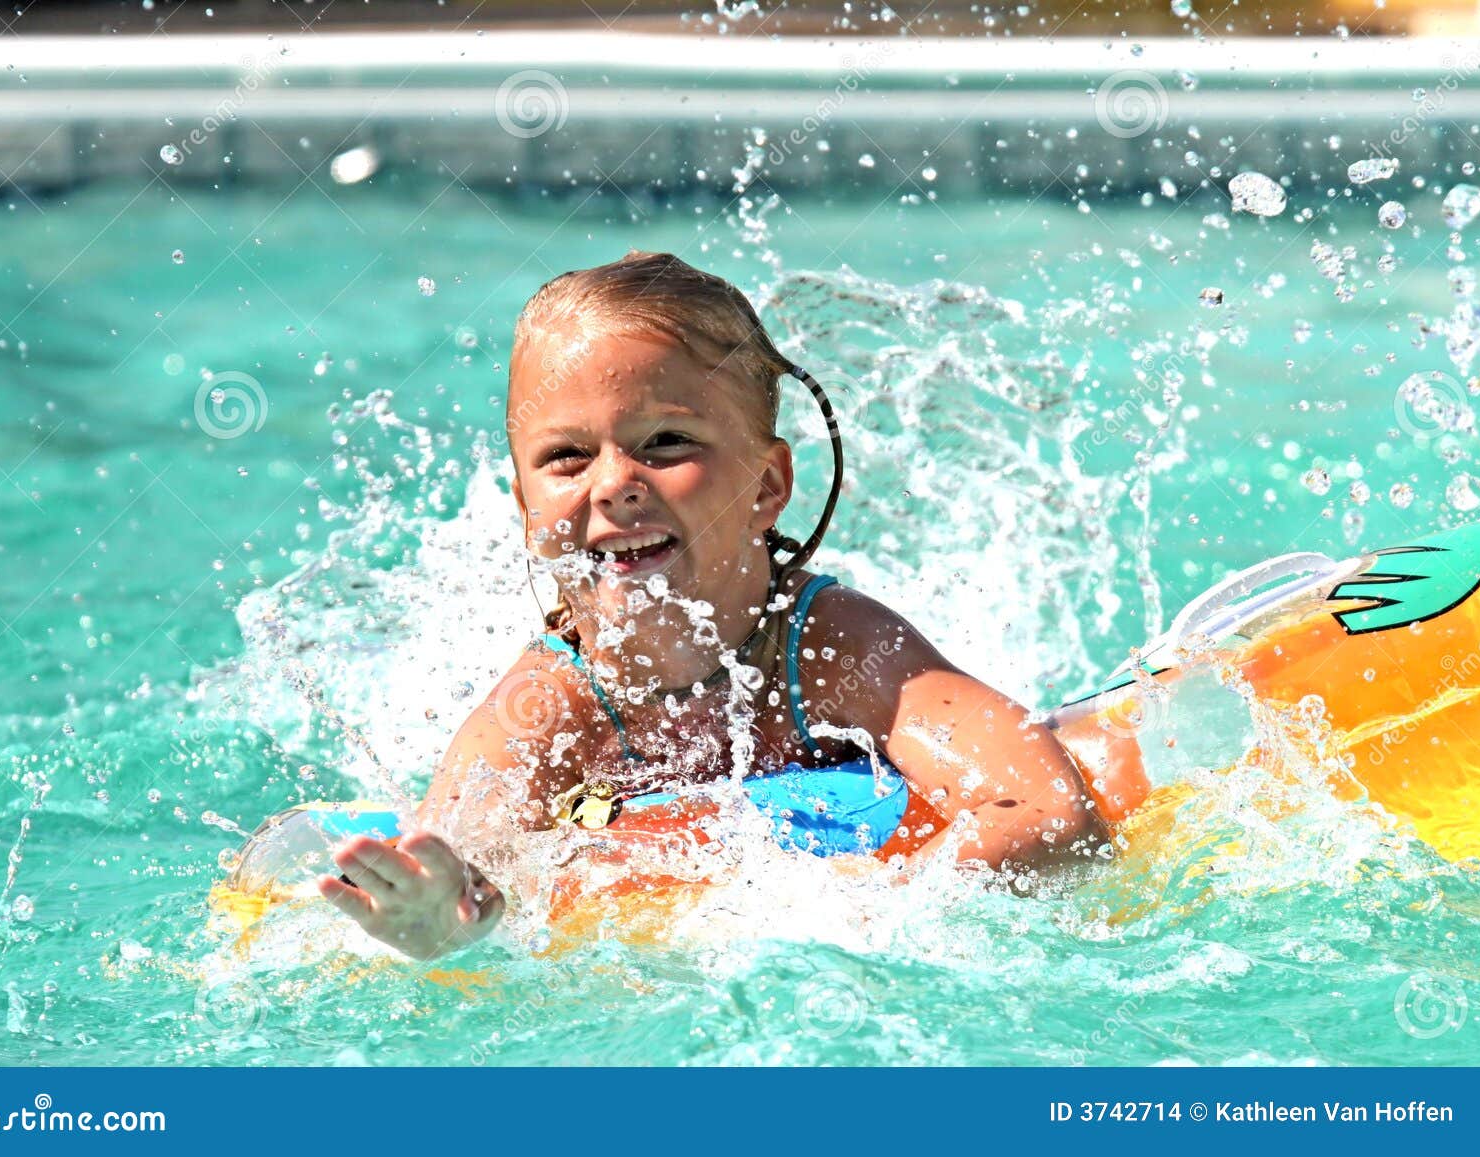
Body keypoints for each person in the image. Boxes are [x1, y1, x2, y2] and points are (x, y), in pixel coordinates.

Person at [317, 251, 1102, 959]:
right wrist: (440, 920)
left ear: (767, 485)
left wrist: (863, 913)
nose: (614, 483)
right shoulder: (548, 706)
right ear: (524, 505)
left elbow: (1043, 807)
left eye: (665, 442)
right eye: (566, 455)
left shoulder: (835, 651)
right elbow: (461, 868)